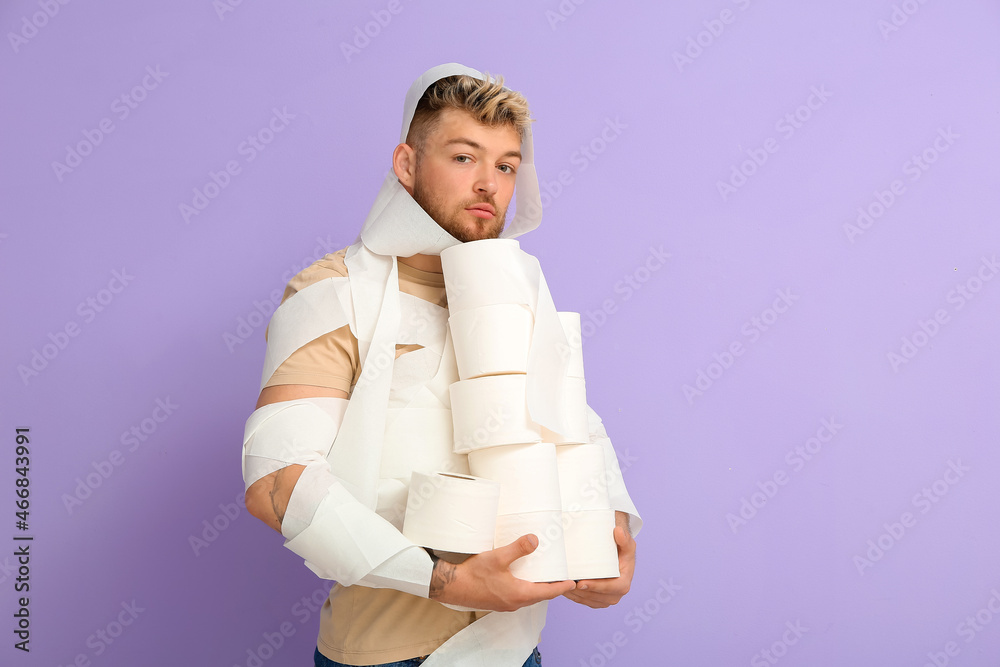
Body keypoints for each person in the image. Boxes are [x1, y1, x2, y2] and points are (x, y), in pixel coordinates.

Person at [241, 63, 642, 667]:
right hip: (388, 656)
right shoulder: (334, 292)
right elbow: (275, 484)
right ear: (406, 165)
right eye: (463, 157)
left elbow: (570, 431)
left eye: (506, 165)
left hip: (514, 649)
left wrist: (612, 537)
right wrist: (447, 582)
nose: (489, 183)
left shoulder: (516, 296)